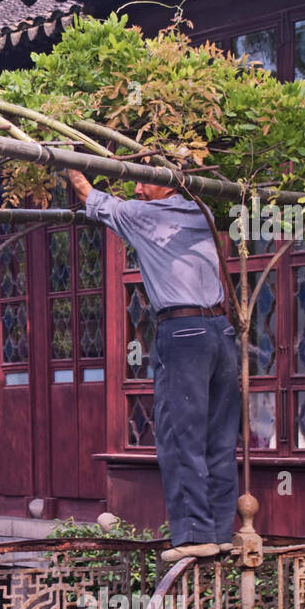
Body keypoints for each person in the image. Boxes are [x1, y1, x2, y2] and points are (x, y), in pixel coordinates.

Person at [66, 167, 240, 563]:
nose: (139, 189)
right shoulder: (204, 214)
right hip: (220, 330)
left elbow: (86, 194)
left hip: (182, 331)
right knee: (219, 436)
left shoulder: (141, 215)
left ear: (173, 184)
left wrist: (66, 160)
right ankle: (220, 531)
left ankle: (195, 533)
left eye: (147, 181)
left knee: (180, 435)